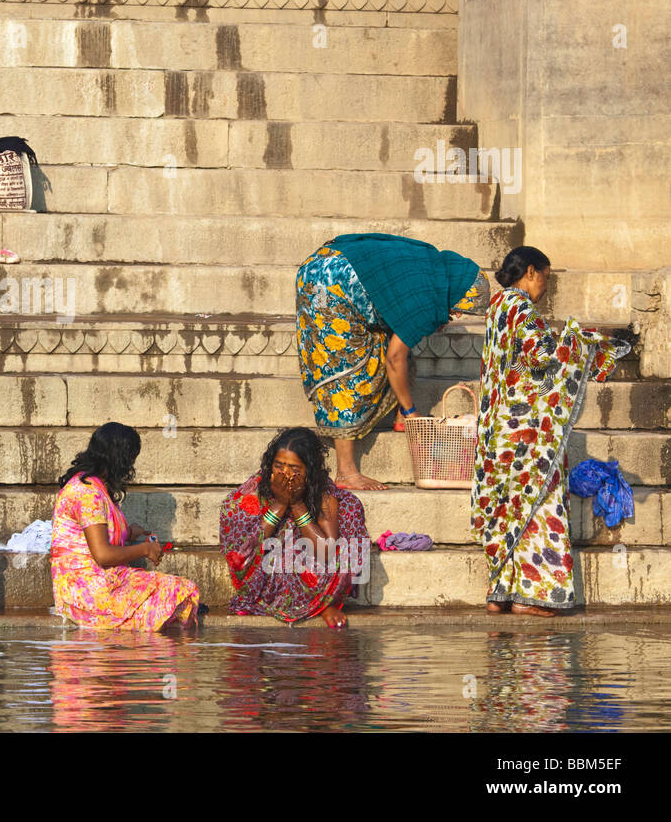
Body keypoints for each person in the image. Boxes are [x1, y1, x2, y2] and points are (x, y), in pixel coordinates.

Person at [472, 247, 629, 617]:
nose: (545, 285)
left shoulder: (497, 307)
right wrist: (583, 339)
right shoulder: (522, 308)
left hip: (497, 430)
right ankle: (533, 598)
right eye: (545, 276)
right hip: (526, 431)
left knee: (508, 507)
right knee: (538, 503)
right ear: (530, 271)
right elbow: (543, 357)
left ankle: (501, 593)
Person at [296, 232, 490, 490]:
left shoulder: (431, 272)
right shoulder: (426, 298)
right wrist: (412, 412)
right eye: (459, 308)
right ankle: (345, 473)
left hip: (324, 266)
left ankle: (398, 414)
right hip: (331, 283)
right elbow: (395, 358)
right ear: (455, 292)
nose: (456, 314)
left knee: (390, 340)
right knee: (345, 371)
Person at [50, 422, 200, 631]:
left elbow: (97, 532)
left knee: (177, 595)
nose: (130, 468)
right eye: (130, 460)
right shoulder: (87, 492)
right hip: (86, 590)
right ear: (118, 460)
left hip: (101, 581)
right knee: (179, 591)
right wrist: (145, 549)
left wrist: (129, 532)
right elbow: (102, 554)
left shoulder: (95, 486)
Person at [219, 428, 370, 628]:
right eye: (279, 466)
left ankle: (323, 603)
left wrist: (298, 505)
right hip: (269, 570)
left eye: (295, 469)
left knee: (349, 524)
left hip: (315, 564)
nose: (286, 475)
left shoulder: (325, 494)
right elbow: (243, 552)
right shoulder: (254, 492)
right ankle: (309, 604)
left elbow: (328, 552)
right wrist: (281, 504)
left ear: (310, 470)